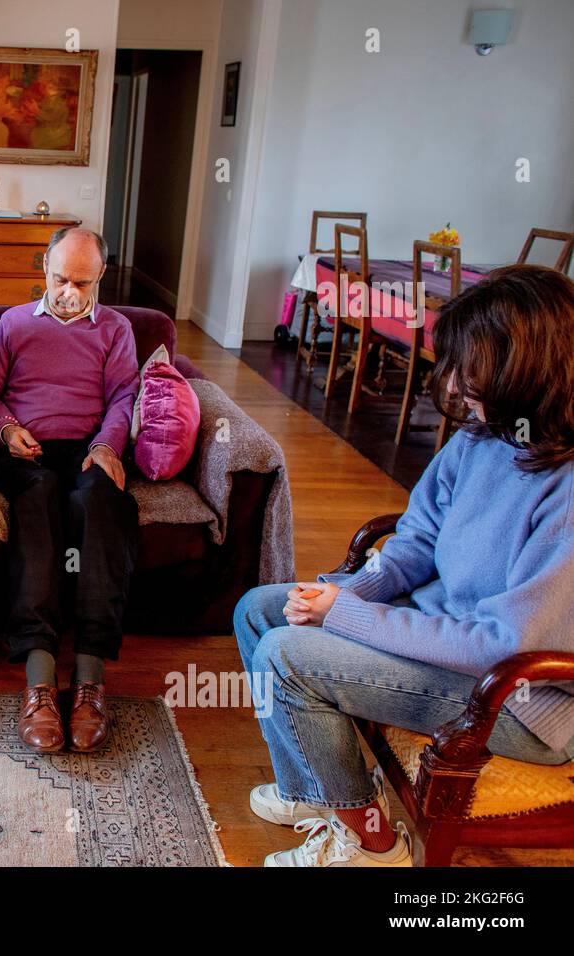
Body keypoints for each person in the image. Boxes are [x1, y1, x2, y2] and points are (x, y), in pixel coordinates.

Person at [234, 265, 574, 867]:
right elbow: (416, 542)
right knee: (260, 609)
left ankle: (372, 846)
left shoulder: (565, 491)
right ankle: (315, 793)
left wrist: (349, 619)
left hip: (516, 696)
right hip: (450, 642)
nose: (456, 381)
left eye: (471, 366)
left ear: (526, 367)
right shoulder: (482, 438)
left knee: (289, 659)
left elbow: (506, 646)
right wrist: (345, 591)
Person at [0, 226, 140, 753]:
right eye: (58, 278)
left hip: (90, 447)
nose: (67, 291)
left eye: (80, 281)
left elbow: (124, 395)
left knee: (102, 501)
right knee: (37, 503)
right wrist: (6, 427)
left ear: (100, 277)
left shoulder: (116, 329)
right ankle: (40, 682)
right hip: (27, 450)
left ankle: (90, 681)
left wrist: (108, 446)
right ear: (43, 270)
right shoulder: (13, 324)